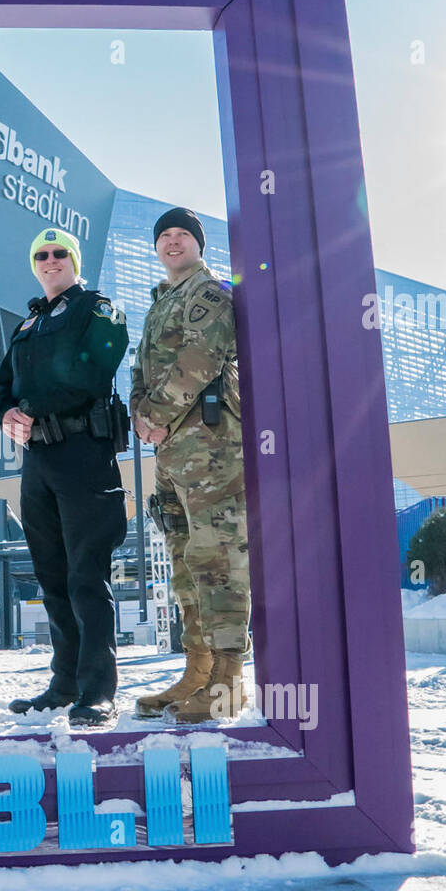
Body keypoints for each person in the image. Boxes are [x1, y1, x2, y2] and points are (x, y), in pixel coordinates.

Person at [0, 228, 130, 726]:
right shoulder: (27, 324)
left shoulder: (98, 309)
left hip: (83, 454)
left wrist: (34, 405)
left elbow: (94, 370)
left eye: (59, 253)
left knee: (85, 575)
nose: (50, 261)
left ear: (74, 260)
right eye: (41, 255)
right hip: (39, 461)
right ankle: (64, 682)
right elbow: (1, 386)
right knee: (51, 575)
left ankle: (98, 690)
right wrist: (7, 414)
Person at [130, 206, 251, 722]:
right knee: (183, 559)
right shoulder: (161, 303)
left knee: (218, 559)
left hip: (211, 447)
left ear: (199, 245)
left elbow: (201, 358)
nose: (173, 242)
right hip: (172, 452)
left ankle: (228, 680)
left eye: (183, 235)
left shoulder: (209, 293)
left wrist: (153, 416)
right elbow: (139, 369)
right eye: (165, 236)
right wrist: (140, 416)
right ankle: (196, 670)